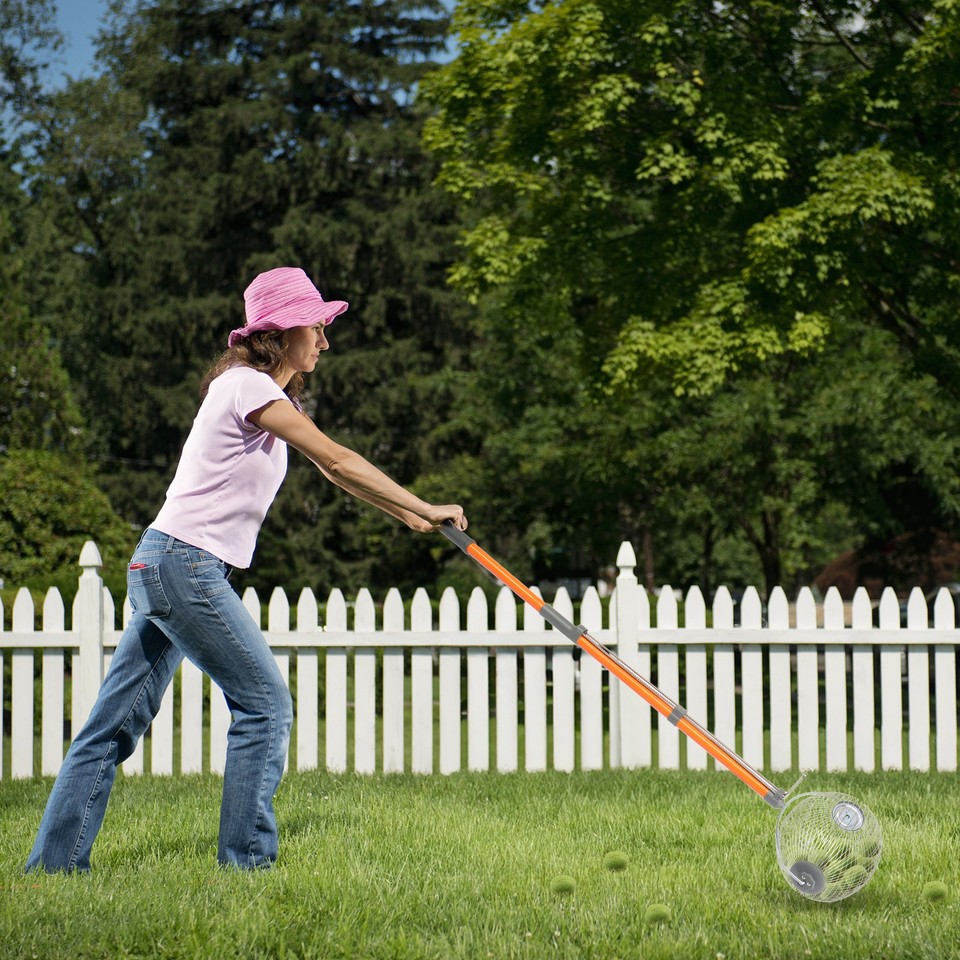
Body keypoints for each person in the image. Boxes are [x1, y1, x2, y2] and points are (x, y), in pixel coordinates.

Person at [26, 266, 467, 873]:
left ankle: (51, 869)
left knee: (112, 726)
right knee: (265, 705)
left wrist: (408, 517)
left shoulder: (256, 395)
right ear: (282, 331)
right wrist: (425, 502)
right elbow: (337, 454)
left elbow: (334, 471)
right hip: (185, 566)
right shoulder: (244, 386)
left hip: (164, 562)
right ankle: (246, 865)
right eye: (316, 326)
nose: (325, 340)